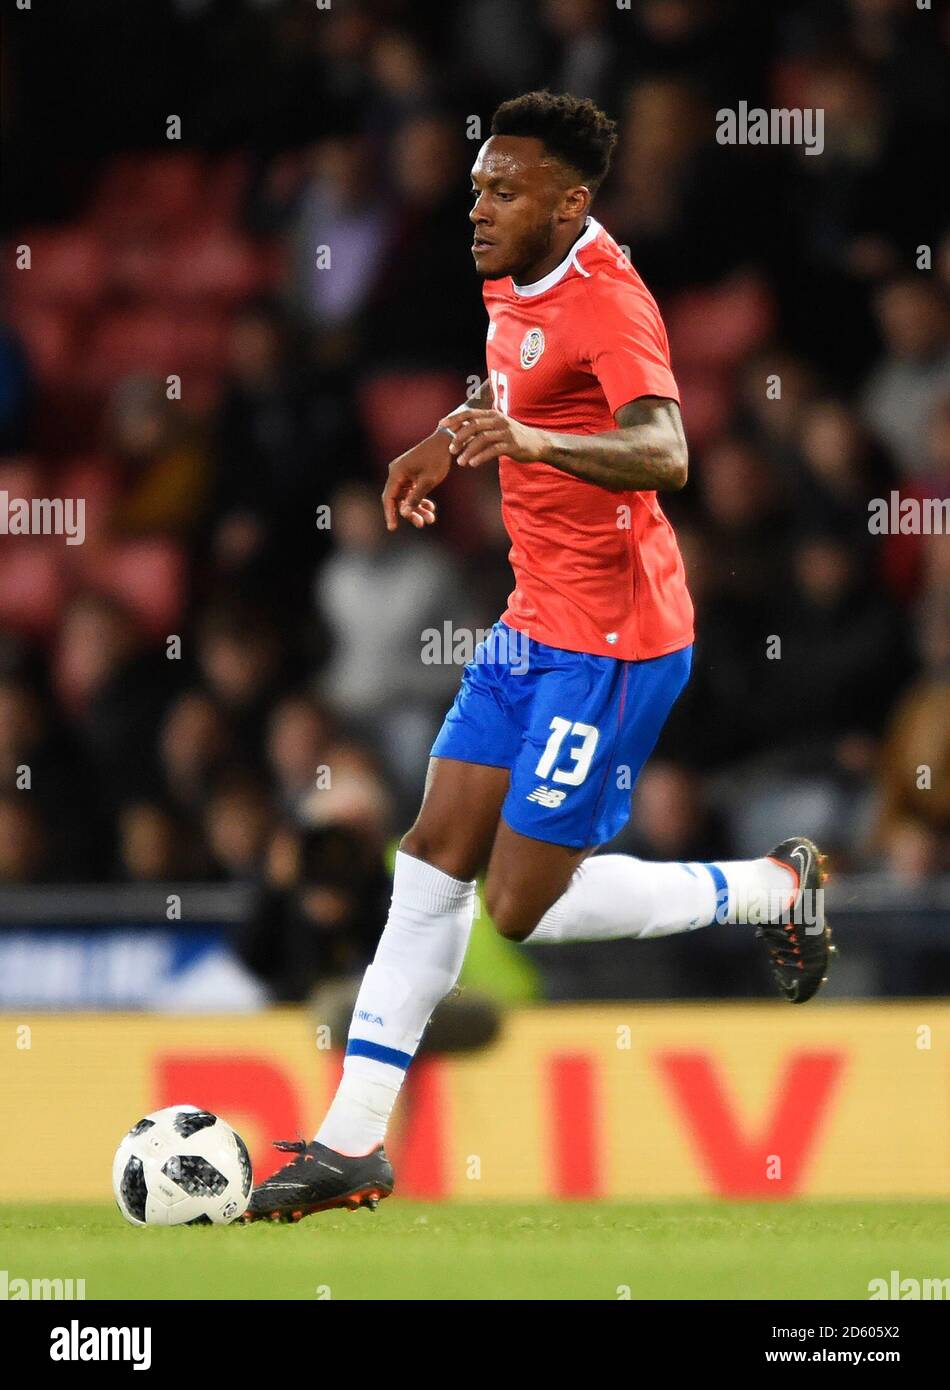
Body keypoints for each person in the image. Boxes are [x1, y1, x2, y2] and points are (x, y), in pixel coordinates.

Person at [247, 91, 833, 1223]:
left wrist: (526, 437)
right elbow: (520, 380)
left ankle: (771, 886)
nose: (477, 205)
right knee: (428, 856)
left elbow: (663, 451)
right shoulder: (513, 269)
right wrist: (456, 428)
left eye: (503, 190)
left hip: (610, 641)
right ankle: (351, 1140)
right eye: (475, 184)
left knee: (515, 907)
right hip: (531, 619)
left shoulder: (612, 301)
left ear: (570, 203)